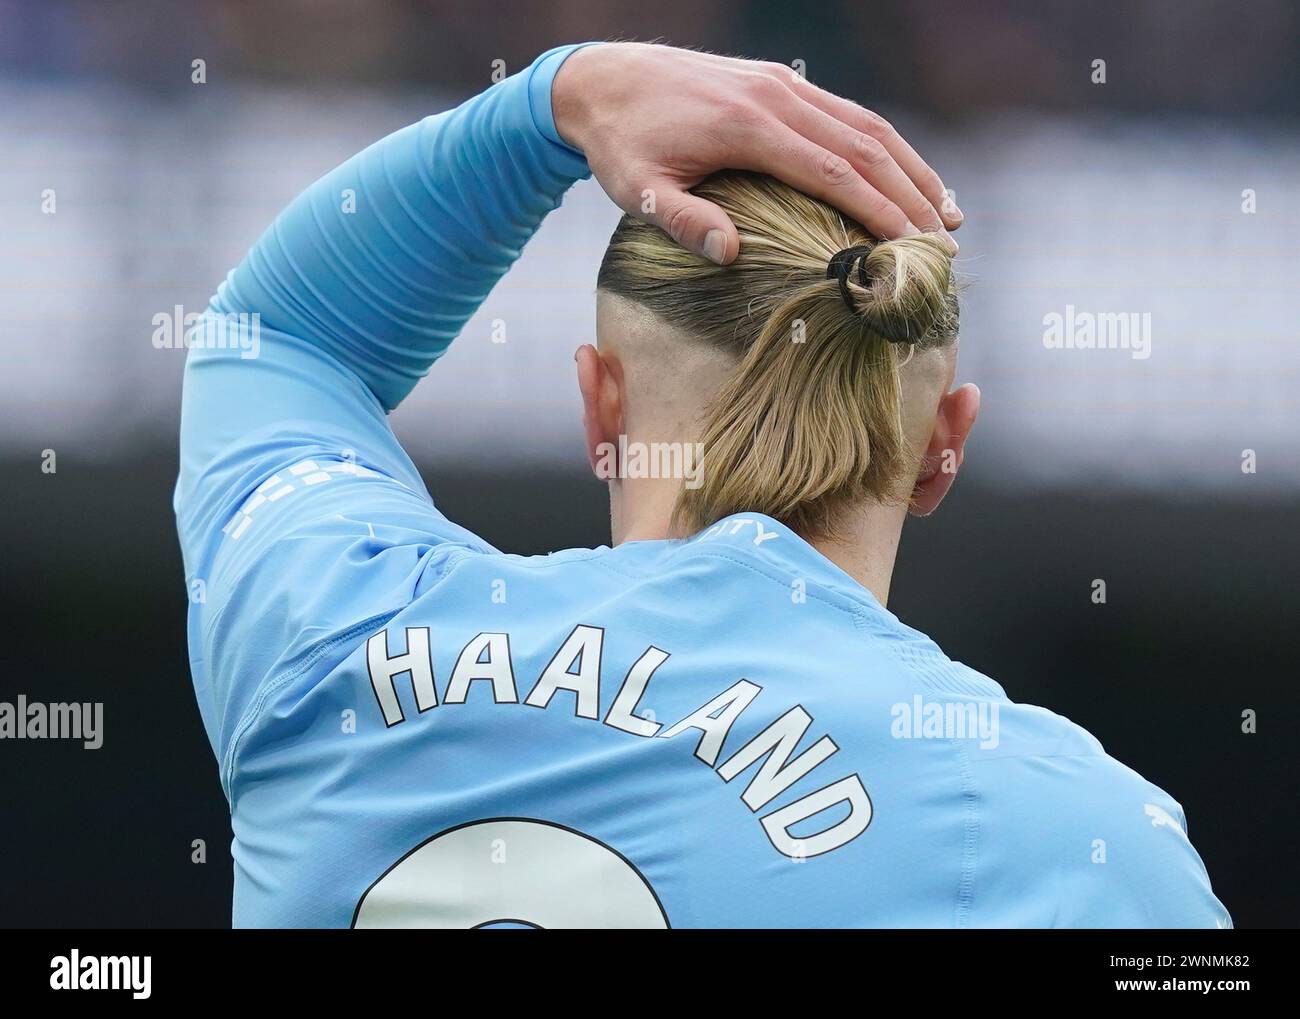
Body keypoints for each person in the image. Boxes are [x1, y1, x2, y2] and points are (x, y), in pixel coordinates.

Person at [175, 41, 1228, 927]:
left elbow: (276, 338)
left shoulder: (338, 631)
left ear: (598, 406)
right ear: (942, 449)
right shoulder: (1069, 837)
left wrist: (554, 99)